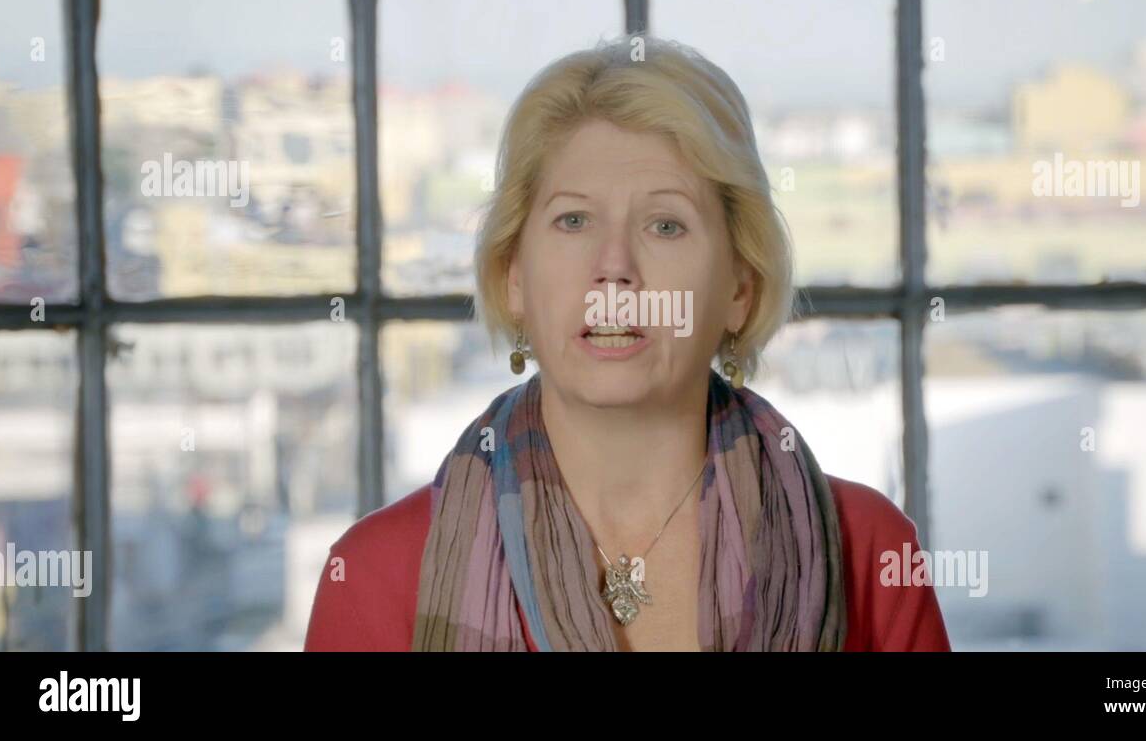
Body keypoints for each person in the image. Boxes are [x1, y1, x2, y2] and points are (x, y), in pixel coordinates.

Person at [305, 35, 950, 652]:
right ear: (514, 275)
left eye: (665, 225)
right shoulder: (375, 576)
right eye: (574, 220)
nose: (613, 268)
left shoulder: (870, 553)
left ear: (740, 287)